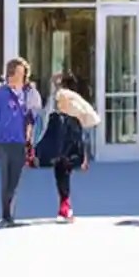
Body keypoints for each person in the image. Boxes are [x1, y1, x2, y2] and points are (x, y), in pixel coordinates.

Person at [0, 58, 34, 227]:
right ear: (11, 73)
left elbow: (30, 118)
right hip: (2, 141)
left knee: (15, 179)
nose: (21, 76)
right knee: (6, 176)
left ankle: (11, 214)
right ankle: (6, 215)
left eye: (23, 73)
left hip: (19, 141)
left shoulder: (25, 95)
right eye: (18, 72)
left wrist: (29, 139)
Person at [48, 73, 96, 222]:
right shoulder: (78, 103)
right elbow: (87, 128)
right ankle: (65, 206)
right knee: (64, 174)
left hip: (63, 143)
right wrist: (86, 156)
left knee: (61, 173)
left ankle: (65, 206)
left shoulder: (63, 100)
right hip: (72, 144)